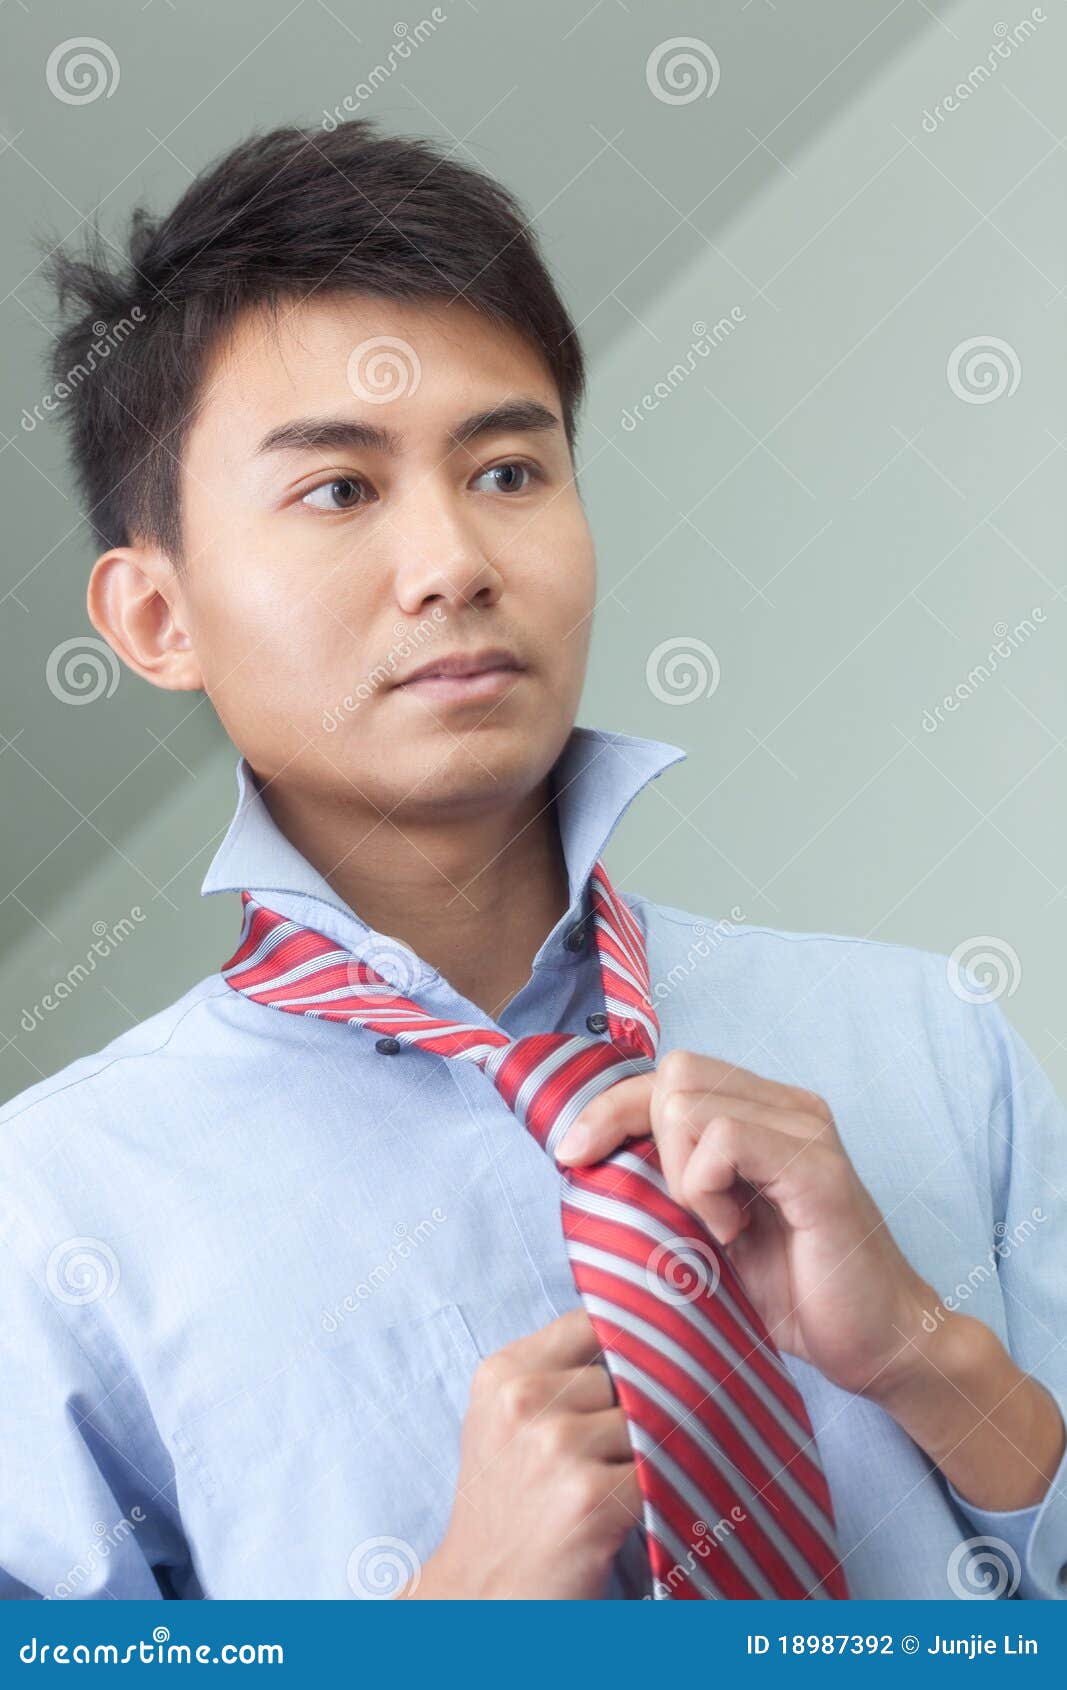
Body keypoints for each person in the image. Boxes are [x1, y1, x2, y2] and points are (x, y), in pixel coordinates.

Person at [1, 119, 1064, 1602]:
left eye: (509, 470)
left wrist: (937, 1361)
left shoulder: (938, 1045)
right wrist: (449, 1627)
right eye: (340, 491)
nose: (453, 560)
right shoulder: (49, 1220)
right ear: (156, 617)